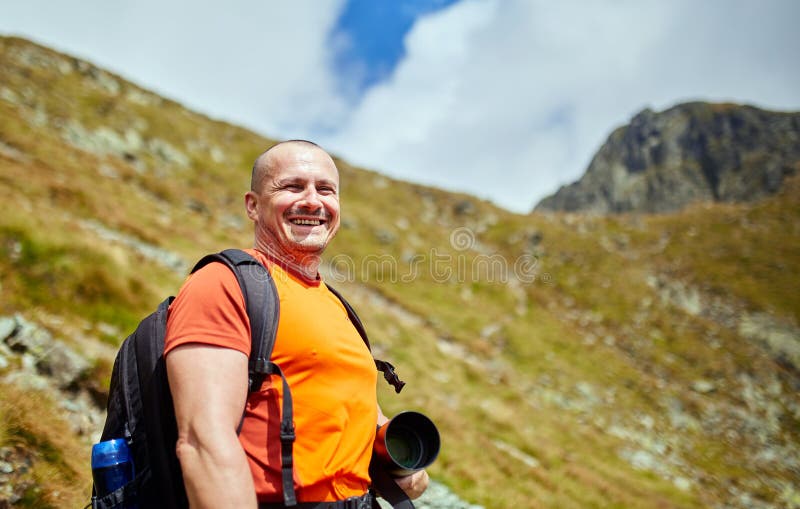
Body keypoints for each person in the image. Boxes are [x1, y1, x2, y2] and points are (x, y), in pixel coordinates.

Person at [164, 140, 429, 508]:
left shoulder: (336, 305)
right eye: (292, 186)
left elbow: (353, 414)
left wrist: (398, 459)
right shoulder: (223, 284)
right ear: (253, 205)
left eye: (325, 189)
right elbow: (203, 441)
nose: (312, 201)